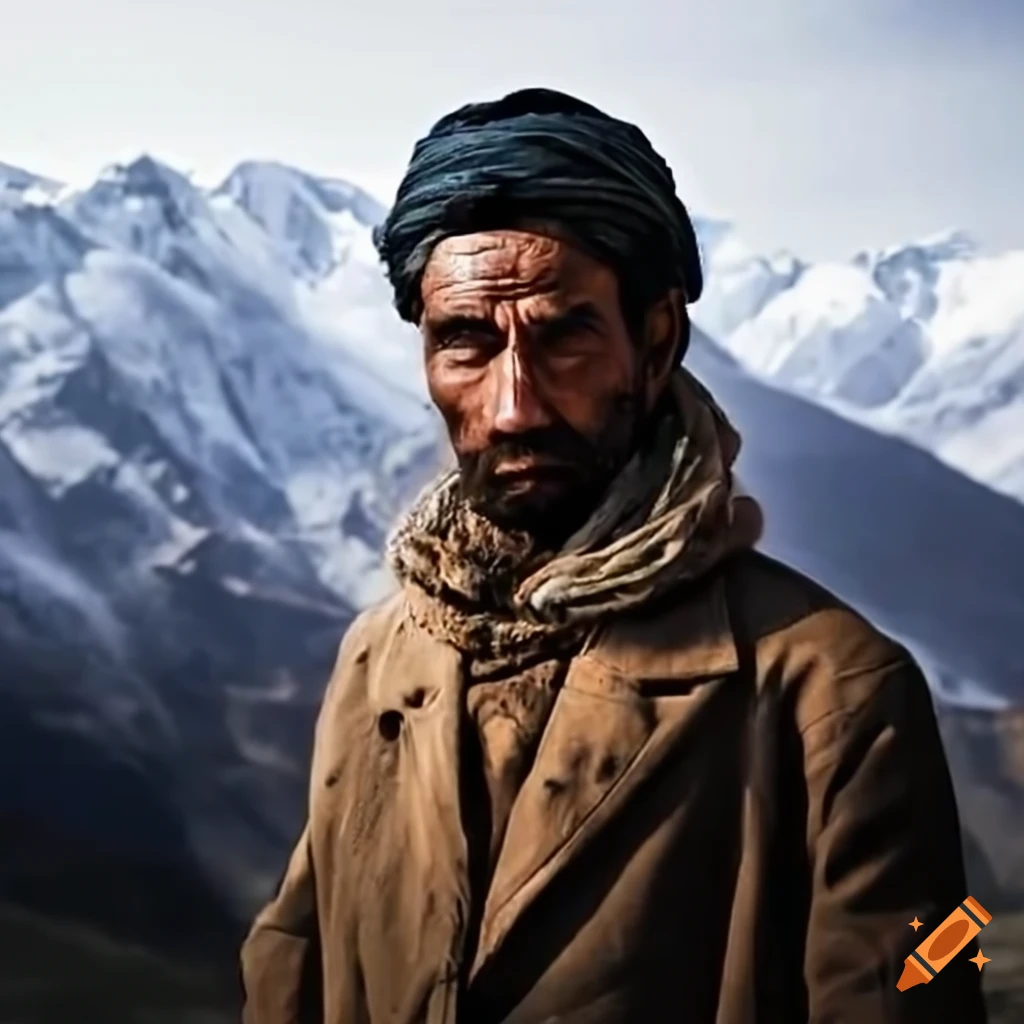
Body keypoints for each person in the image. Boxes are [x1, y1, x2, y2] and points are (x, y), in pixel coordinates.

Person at [240, 88, 987, 1024]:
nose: (513, 406)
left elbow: (921, 977)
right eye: (465, 343)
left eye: (564, 338)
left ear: (656, 340)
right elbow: (295, 960)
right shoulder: (379, 661)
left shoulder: (834, 692)